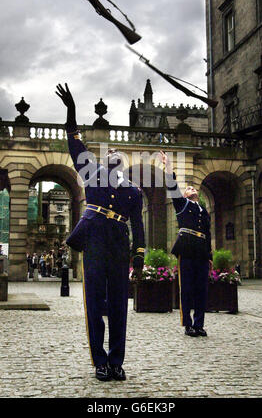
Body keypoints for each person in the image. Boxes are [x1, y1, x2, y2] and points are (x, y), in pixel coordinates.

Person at [55, 83, 145, 382]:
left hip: (119, 244)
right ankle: (100, 362)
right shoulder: (92, 174)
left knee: (119, 305)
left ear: (124, 164)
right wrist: (71, 112)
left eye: (120, 154)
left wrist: (140, 258)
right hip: (94, 242)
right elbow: (74, 143)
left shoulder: (134, 191)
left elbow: (139, 226)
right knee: (95, 303)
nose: (115, 154)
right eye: (111, 153)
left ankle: (117, 361)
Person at [159, 150, 212, 337]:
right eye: (189, 188)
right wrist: (168, 165)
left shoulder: (203, 211)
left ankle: (199, 324)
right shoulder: (182, 205)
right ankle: (188, 324)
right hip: (186, 250)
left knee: (201, 291)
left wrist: (210, 257)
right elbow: (172, 185)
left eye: (194, 188)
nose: (193, 189)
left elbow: (208, 233)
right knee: (187, 289)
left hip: (202, 253)